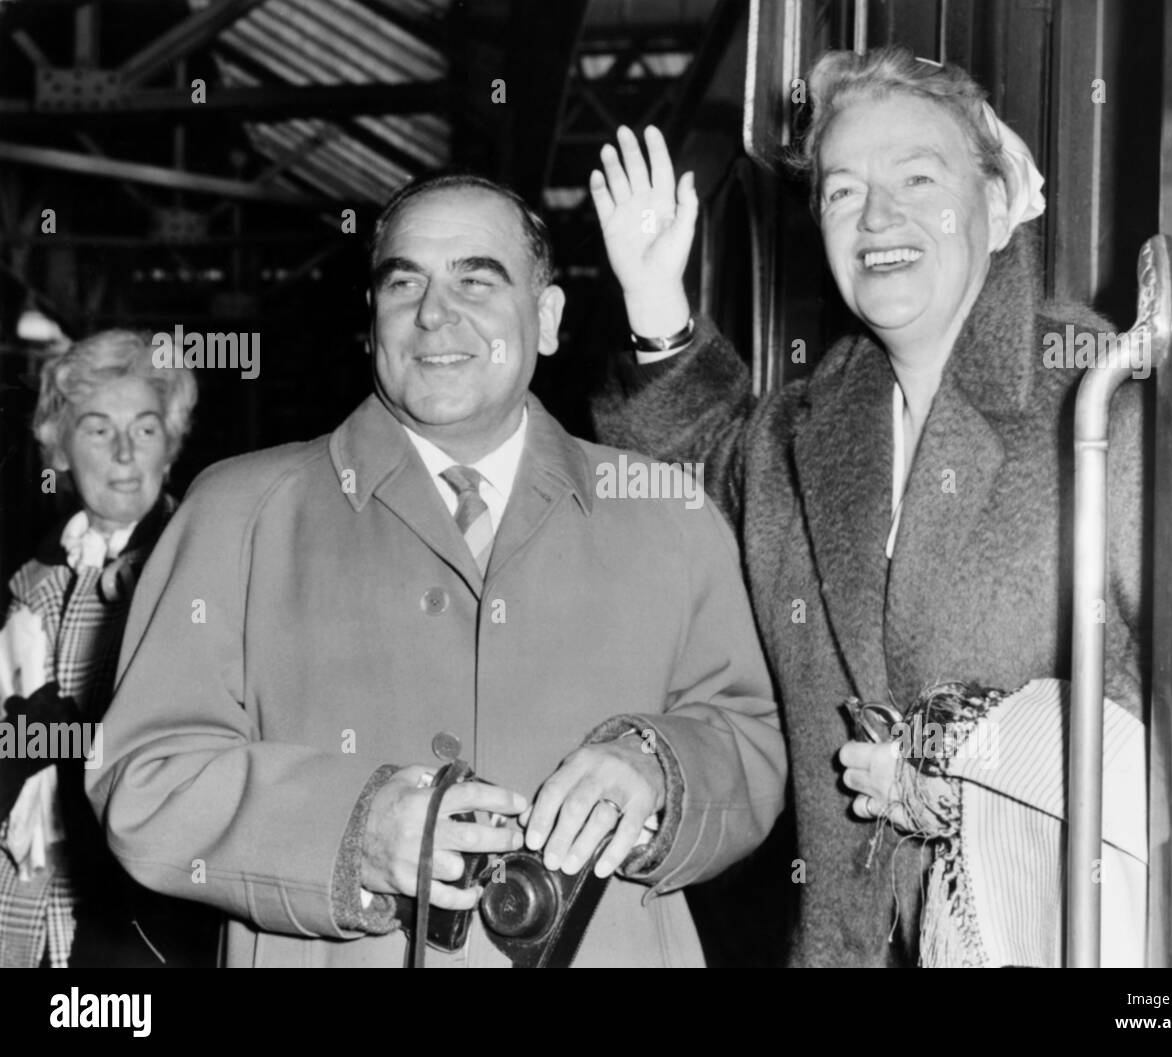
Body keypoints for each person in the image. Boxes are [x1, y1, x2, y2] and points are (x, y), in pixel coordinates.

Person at [87, 173, 785, 968]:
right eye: (404, 281)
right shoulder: (236, 512)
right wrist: (353, 831)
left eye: (475, 280)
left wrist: (659, 768)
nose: (433, 313)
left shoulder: (667, 511)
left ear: (548, 318)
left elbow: (750, 741)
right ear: (373, 319)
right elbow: (145, 776)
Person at [589, 45, 1148, 966]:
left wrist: (966, 770)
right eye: (843, 191)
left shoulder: (1100, 409)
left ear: (1000, 204)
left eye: (919, 177)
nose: (877, 215)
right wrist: (655, 300)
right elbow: (684, 480)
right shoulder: (802, 430)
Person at [0, 329, 203, 967]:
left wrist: (51, 733)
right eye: (97, 430)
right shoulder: (28, 581)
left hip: (136, 927)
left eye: (145, 430)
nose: (123, 454)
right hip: (22, 912)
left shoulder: (201, 571)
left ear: (170, 447)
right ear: (59, 447)